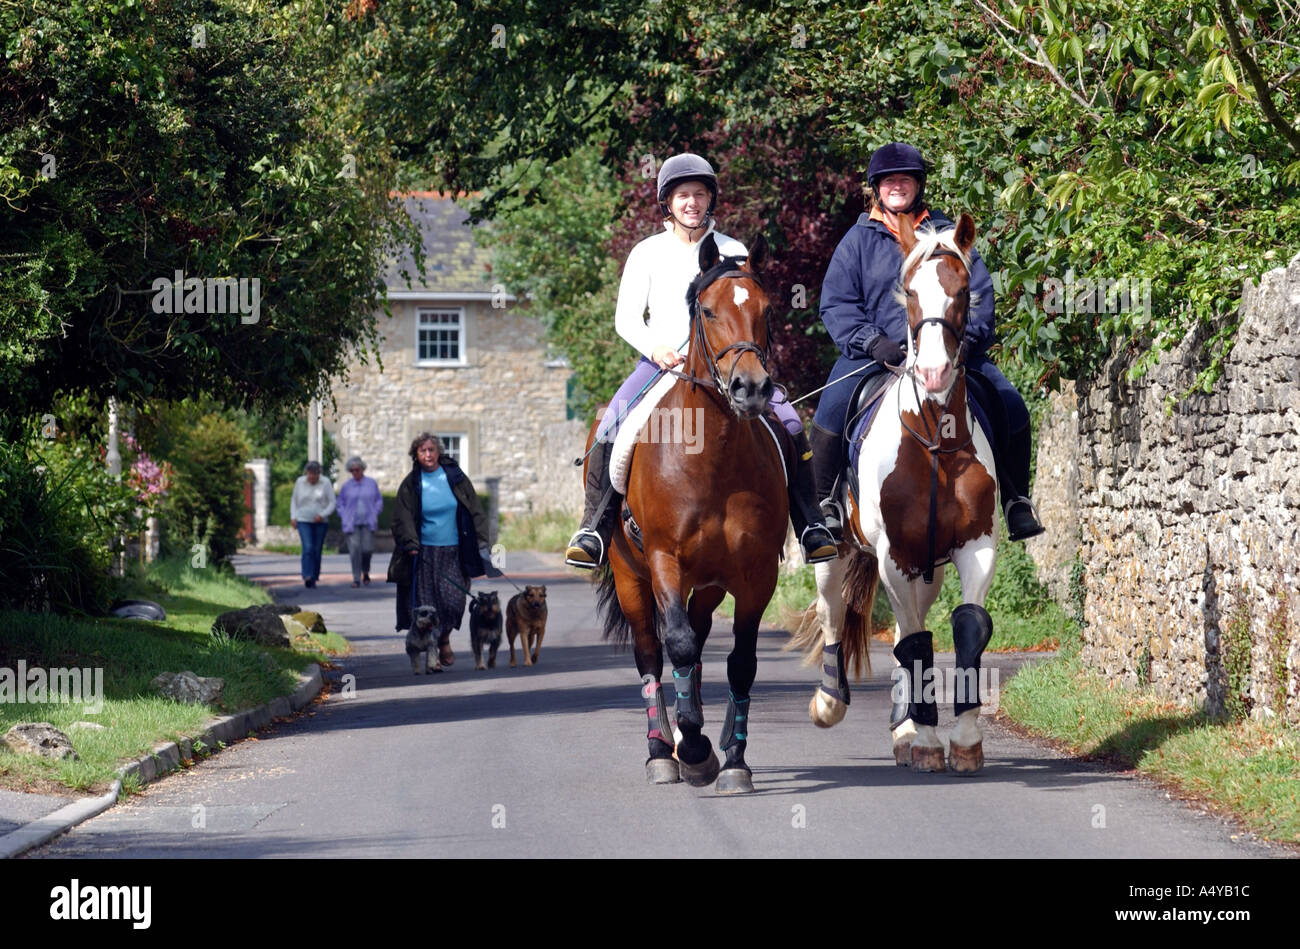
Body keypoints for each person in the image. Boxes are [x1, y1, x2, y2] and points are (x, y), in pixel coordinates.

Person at [564, 152, 838, 569]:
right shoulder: (647, 252)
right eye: (682, 195)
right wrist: (657, 348)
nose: (691, 202)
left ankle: (810, 524)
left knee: (793, 424)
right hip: (660, 365)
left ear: (710, 199)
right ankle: (594, 528)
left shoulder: (733, 249)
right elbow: (626, 318)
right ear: (667, 203)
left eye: (699, 194)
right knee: (610, 425)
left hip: (728, 367)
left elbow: (748, 312)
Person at [810, 141, 1045, 542]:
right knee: (830, 411)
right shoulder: (857, 241)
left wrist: (965, 344)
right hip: (875, 356)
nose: (896, 187)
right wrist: (872, 343)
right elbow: (836, 304)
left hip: (951, 353)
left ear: (918, 185)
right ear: (876, 188)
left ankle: (1016, 500)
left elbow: (980, 295)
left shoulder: (948, 235)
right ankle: (827, 506)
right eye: (888, 181)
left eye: (905, 179)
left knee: (1010, 404)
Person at [387, 433, 498, 670]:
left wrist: (482, 541)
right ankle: (434, 653)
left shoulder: (455, 478)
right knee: (428, 606)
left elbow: (475, 510)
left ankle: (444, 636)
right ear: (416, 455)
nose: (427, 455)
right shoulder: (411, 483)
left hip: (455, 550)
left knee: (453, 601)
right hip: (424, 552)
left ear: (439, 452)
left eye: (431, 450)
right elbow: (402, 516)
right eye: (422, 451)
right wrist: (410, 543)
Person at [337, 455, 383, 588]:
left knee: (367, 549)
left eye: (358, 470)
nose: (356, 472)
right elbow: (340, 503)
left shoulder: (371, 483)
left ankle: (366, 571)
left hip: (368, 522)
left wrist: (376, 511)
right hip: (352, 523)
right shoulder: (346, 486)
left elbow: (378, 500)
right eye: (353, 470)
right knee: (355, 551)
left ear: (363, 469)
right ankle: (356, 578)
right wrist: (344, 515)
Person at [290, 460, 336, 588]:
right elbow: (294, 501)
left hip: (320, 521)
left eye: (314, 474)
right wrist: (293, 517)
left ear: (319, 474)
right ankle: (307, 575)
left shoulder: (325, 482)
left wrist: (322, 515)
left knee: (317, 549)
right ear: (306, 473)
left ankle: (314, 575)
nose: (312, 477)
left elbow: (332, 503)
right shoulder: (300, 482)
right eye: (309, 474)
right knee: (308, 547)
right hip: (303, 519)